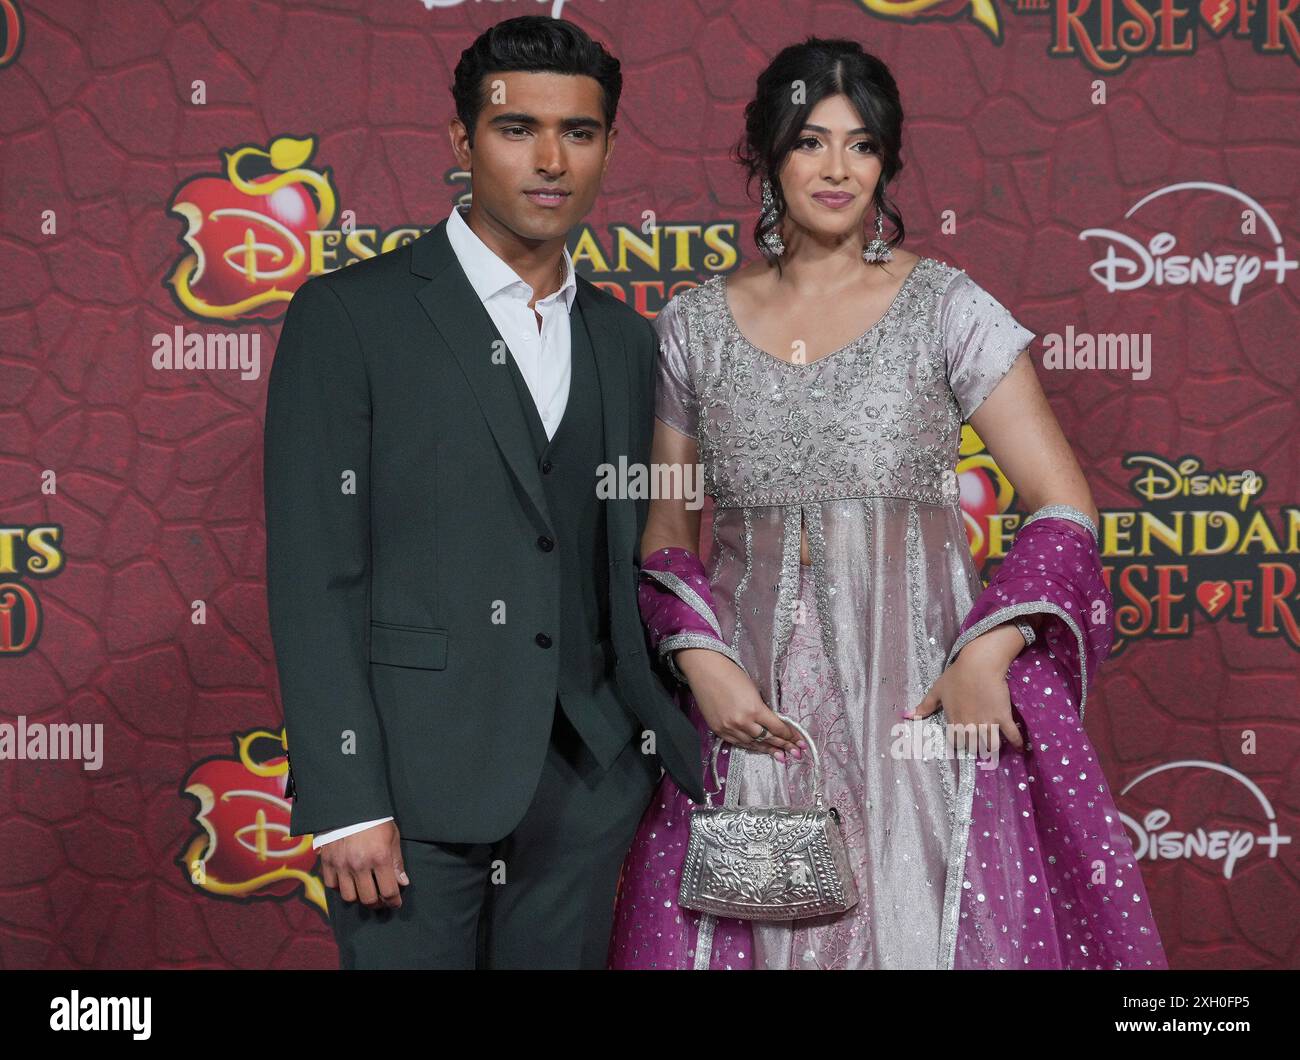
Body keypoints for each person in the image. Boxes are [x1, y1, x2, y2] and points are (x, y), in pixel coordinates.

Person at [607, 37, 1168, 970]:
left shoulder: (947, 310)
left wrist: (989, 652)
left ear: (888, 162)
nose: (836, 169)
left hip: (925, 705)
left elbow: (1063, 504)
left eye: (861, 145)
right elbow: (667, 530)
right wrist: (703, 664)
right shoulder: (693, 328)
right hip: (759, 715)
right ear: (767, 155)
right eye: (810, 142)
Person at [263, 15, 704, 969]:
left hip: (588, 790)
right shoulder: (350, 316)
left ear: (608, 147)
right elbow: (315, 578)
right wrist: (348, 799)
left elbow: (636, 553)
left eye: (579, 134)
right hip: (410, 794)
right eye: (517, 130)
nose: (551, 160)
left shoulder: (627, 341)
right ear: (463, 142)